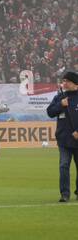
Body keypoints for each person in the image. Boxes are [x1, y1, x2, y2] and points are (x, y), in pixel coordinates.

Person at [46, 71, 78, 202]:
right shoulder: (59, 97)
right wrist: (60, 105)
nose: (64, 83)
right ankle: (65, 194)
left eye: (67, 81)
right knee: (64, 165)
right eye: (63, 81)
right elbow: (50, 112)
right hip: (63, 139)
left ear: (75, 83)